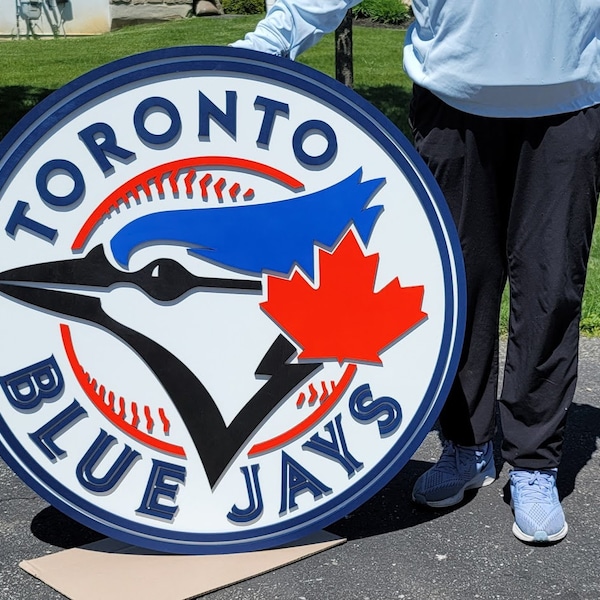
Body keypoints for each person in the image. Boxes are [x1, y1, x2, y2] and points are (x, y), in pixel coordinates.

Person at [231, 0, 600, 544]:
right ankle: (468, 445)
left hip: (569, 104)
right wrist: (269, 42)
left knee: (551, 290)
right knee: (457, 287)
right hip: (453, 105)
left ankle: (533, 464)